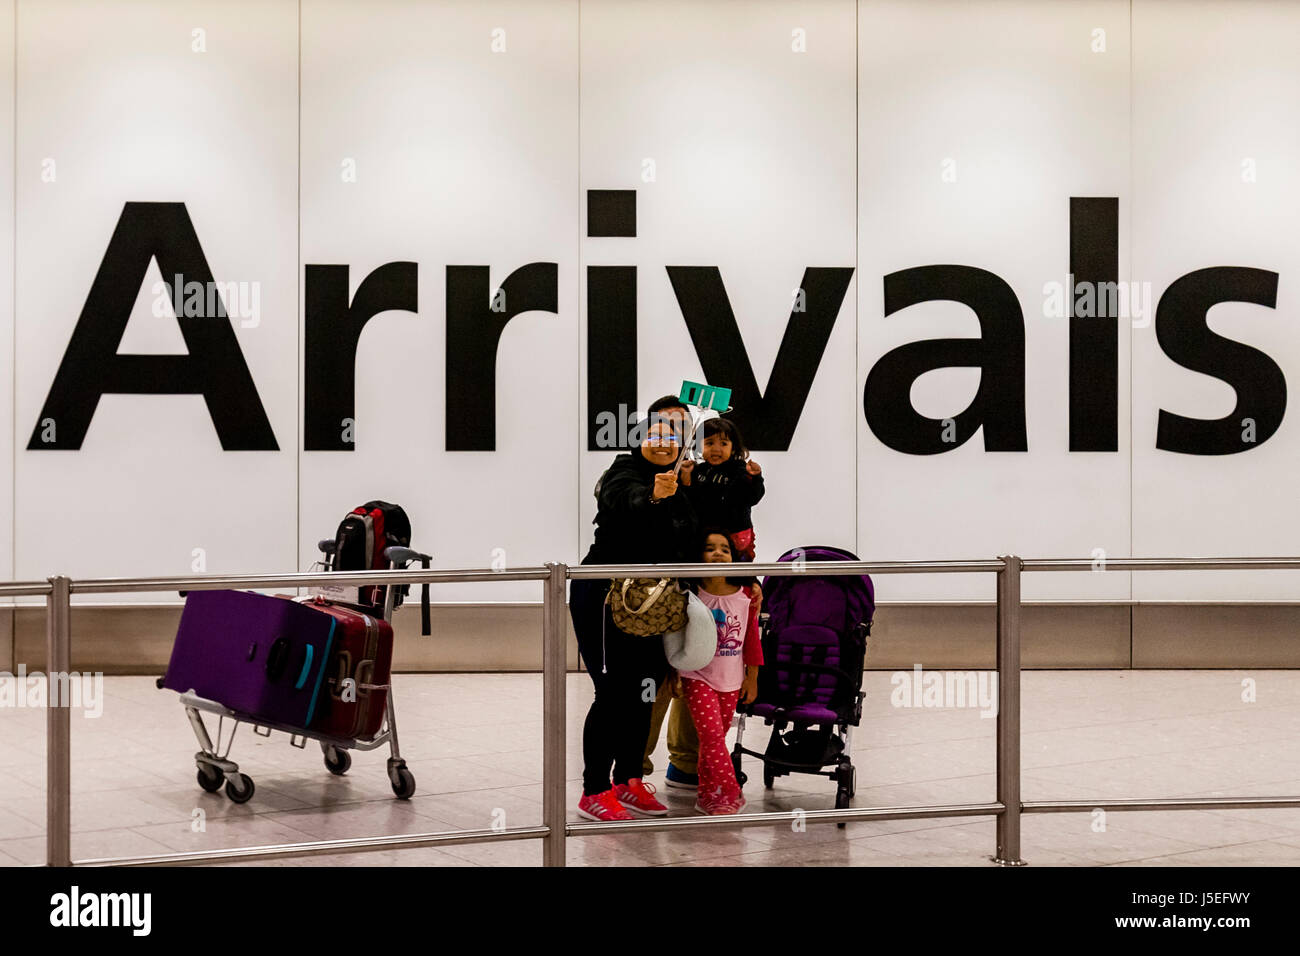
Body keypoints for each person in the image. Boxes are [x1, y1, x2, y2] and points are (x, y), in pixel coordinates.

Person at [570, 396, 699, 822]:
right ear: (642, 435)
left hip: (653, 603)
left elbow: (690, 540)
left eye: (674, 435)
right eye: (657, 432)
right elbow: (623, 500)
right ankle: (594, 790)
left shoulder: (684, 482)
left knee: (645, 690)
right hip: (605, 597)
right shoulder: (623, 472)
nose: (664, 441)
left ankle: (628, 780)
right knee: (612, 693)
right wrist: (656, 496)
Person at [673, 528, 762, 815]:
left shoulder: (745, 594)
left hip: (732, 679)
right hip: (697, 676)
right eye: (709, 548)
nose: (717, 553)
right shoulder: (690, 592)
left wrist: (752, 677)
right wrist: (674, 672)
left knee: (713, 742)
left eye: (724, 549)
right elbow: (676, 635)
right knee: (711, 737)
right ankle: (728, 791)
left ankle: (707, 795)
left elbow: (751, 638)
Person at [680, 417, 764, 561]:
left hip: (735, 536)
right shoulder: (697, 470)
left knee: (736, 574)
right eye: (709, 443)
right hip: (704, 534)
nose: (716, 449)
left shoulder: (740, 470)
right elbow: (688, 501)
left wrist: (755, 477)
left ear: (733, 448)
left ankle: (747, 583)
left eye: (724, 443)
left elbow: (752, 497)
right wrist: (686, 476)